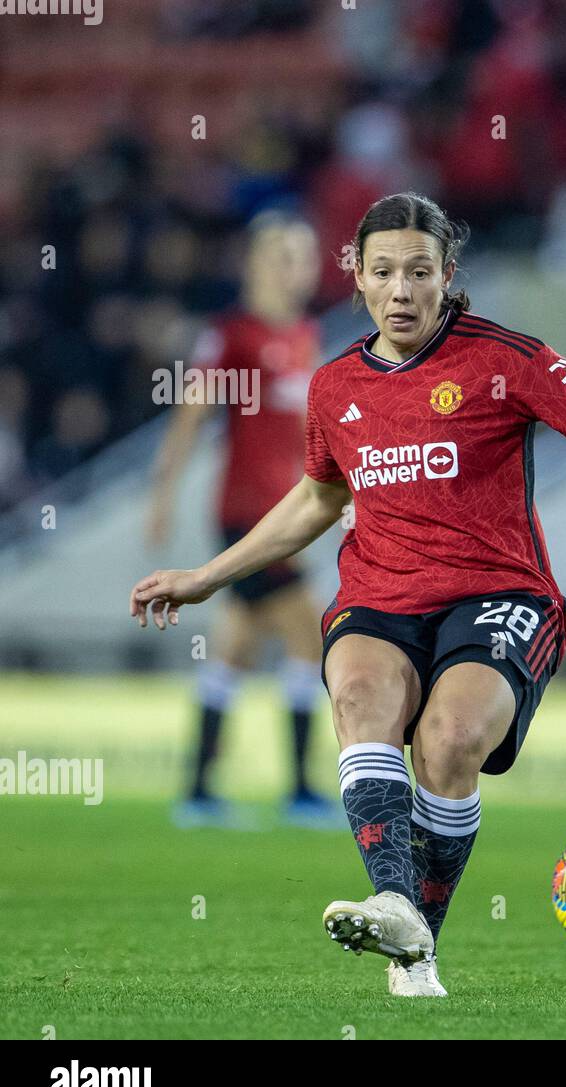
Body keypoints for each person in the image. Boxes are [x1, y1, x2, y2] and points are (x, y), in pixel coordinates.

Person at [130, 191, 566, 996]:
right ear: (355, 277)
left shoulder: (503, 359)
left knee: (451, 740)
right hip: (380, 594)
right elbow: (321, 498)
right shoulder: (334, 387)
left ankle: (416, 930)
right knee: (358, 690)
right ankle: (400, 913)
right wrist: (206, 575)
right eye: (383, 271)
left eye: (419, 272)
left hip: (501, 594)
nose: (401, 290)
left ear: (447, 276)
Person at [146, 212, 333, 828]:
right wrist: (162, 496)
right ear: (255, 263)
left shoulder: (307, 333)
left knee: (237, 648)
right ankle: (301, 791)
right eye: (284, 255)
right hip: (249, 515)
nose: (297, 268)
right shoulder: (233, 334)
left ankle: (198, 791)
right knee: (308, 636)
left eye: (304, 256)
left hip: (287, 513)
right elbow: (190, 417)